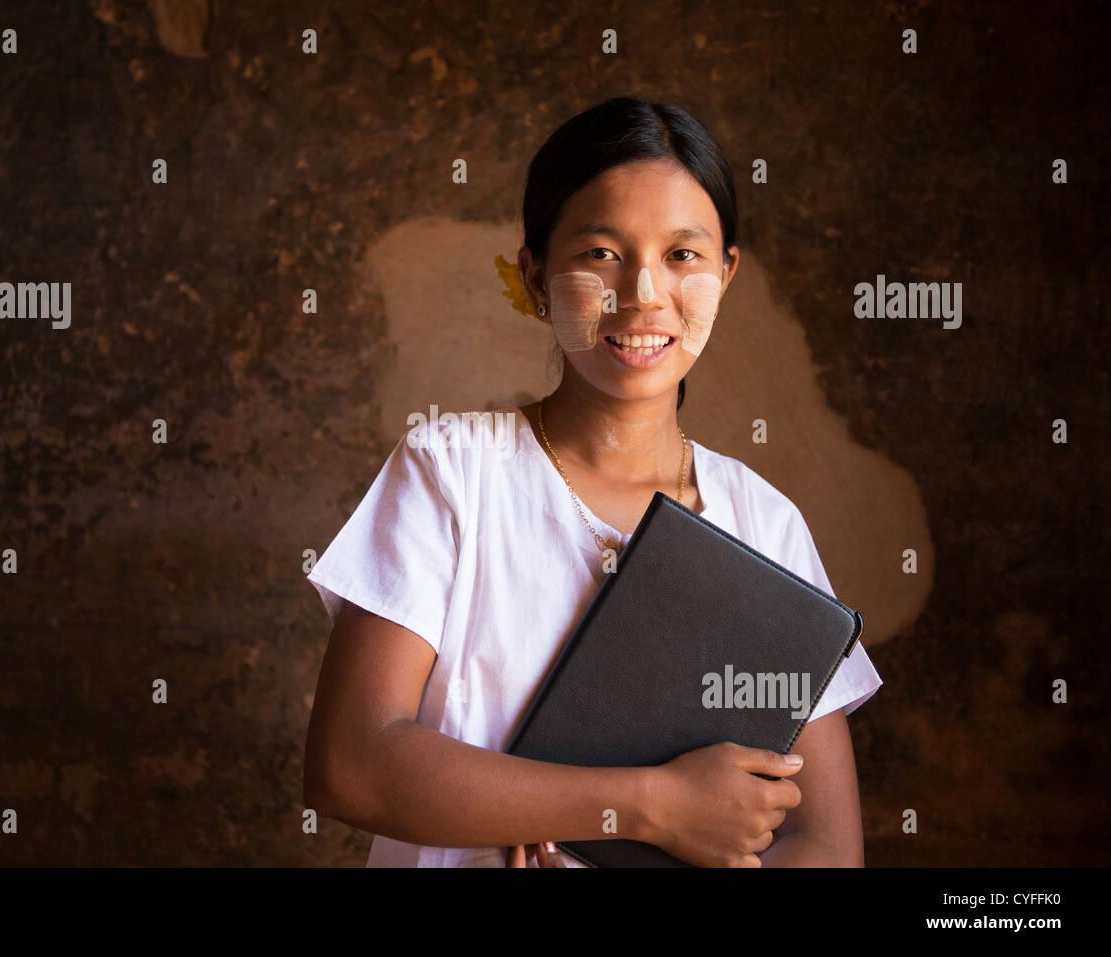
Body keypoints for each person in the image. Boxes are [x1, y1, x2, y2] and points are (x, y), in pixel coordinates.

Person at [303, 96, 882, 868]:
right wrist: (652, 806)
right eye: (602, 252)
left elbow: (826, 842)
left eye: (683, 255)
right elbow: (352, 763)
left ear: (727, 273)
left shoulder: (765, 524)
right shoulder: (452, 474)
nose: (643, 293)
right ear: (535, 273)